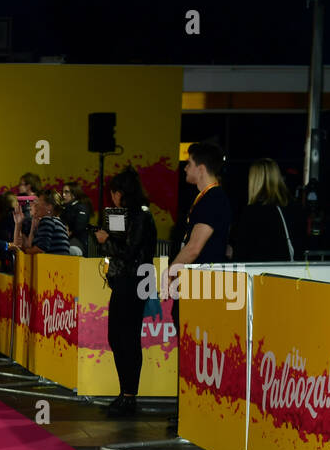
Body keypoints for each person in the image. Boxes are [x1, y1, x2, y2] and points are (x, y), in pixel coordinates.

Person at [166, 141, 231, 432]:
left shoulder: (212, 199)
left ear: (201, 168)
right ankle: (189, 410)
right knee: (192, 350)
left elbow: (193, 248)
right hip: (196, 287)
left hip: (200, 290)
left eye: (189, 164)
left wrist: (169, 274)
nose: (185, 168)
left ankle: (193, 413)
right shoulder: (207, 199)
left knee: (196, 351)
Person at [94, 167, 158, 417]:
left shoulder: (141, 215)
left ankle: (129, 395)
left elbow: (129, 249)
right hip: (123, 280)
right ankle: (125, 393)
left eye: (115, 193)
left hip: (135, 280)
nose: (112, 198)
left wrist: (105, 241)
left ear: (121, 192)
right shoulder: (126, 215)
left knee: (127, 337)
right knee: (116, 336)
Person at [229, 158, 298, 262]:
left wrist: (232, 253)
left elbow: (243, 251)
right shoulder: (292, 207)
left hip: (261, 273)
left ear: (254, 180)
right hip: (287, 272)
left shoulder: (252, 212)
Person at [18, 187, 71, 255]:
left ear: (49, 206)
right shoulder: (60, 223)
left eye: (38, 202)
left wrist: (24, 251)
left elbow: (40, 249)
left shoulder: (47, 220)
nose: (35, 205)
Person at [60, 182, 92, 255]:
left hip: (79, 242)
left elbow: (80, 227)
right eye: (63, 192)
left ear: (74, 194)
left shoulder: (81, 207)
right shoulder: (65, 208)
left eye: (66, 192)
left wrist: (68, 232)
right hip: (67, 240)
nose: (63, 195)